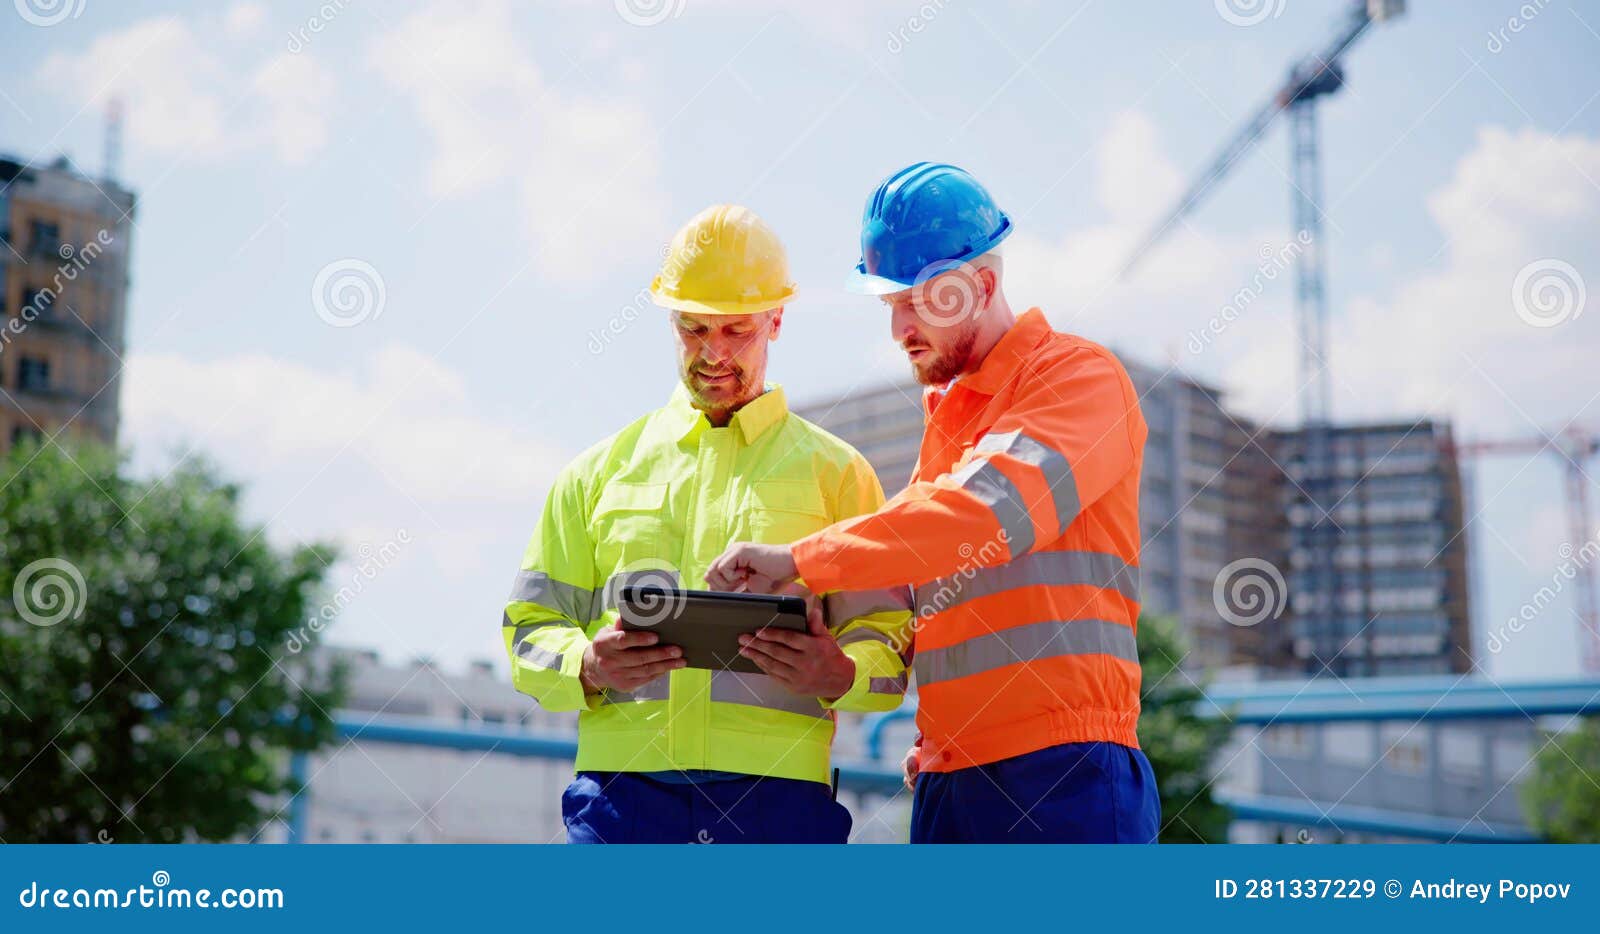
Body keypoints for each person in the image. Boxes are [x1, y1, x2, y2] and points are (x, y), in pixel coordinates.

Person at [706, 164, 1160, 843]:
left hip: (1066, 773)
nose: (898, 328)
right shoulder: (947, 431)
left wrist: (800, 557)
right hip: (953, 779)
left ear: (981, 285)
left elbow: (987, 513)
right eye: (890, 302)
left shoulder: (1078, 378)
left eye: (919, 301)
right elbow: (934, 594)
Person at [503, 204, 912, 844]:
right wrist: (586, 664)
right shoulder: (595, 474)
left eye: (735, 332)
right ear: (671, 321)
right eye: (693, 330)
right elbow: (528, 629)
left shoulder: (840, 476)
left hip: (778, 804)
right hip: (620, 801)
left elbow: (890, 639)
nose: (712, 353)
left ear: (777, 321)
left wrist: (840, 673)